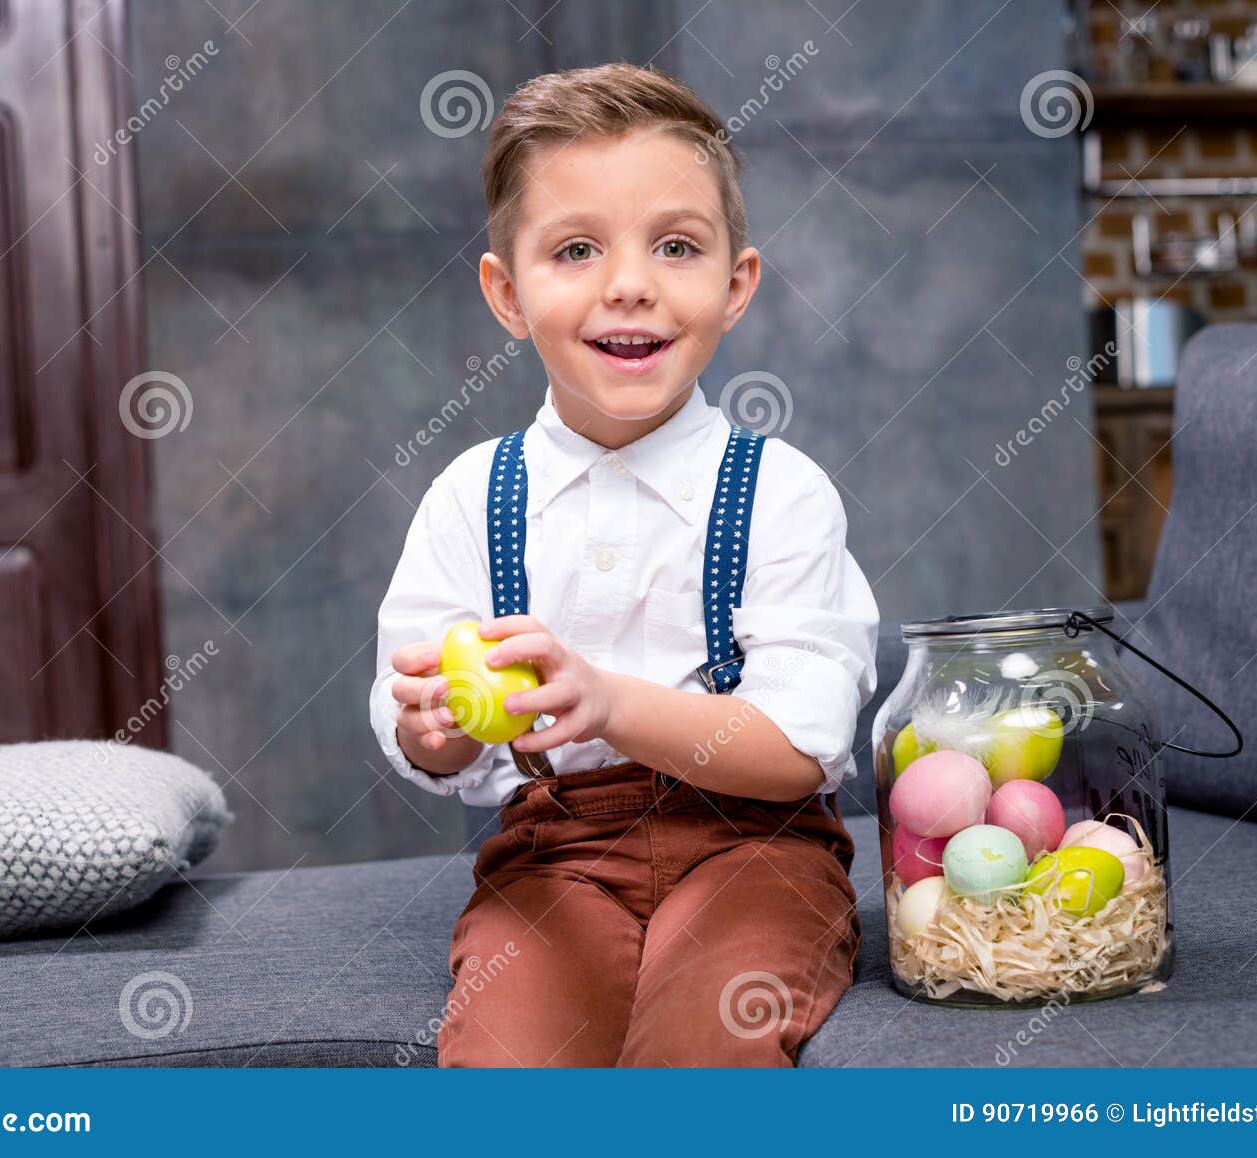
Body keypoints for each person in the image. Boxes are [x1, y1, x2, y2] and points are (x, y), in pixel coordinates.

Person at [368, 62, 880, 1067]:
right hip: (553, 856)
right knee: (506, 1066)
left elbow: (799, 747)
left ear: (735, 285)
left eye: (676, 246)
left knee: (707, 1044)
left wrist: (607, 702)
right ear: (507, 294)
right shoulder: (471, 496)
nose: (630, 284)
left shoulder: (781, 492)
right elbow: (426, 741)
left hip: (755, 847)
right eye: (576, 249)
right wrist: (434, 727)